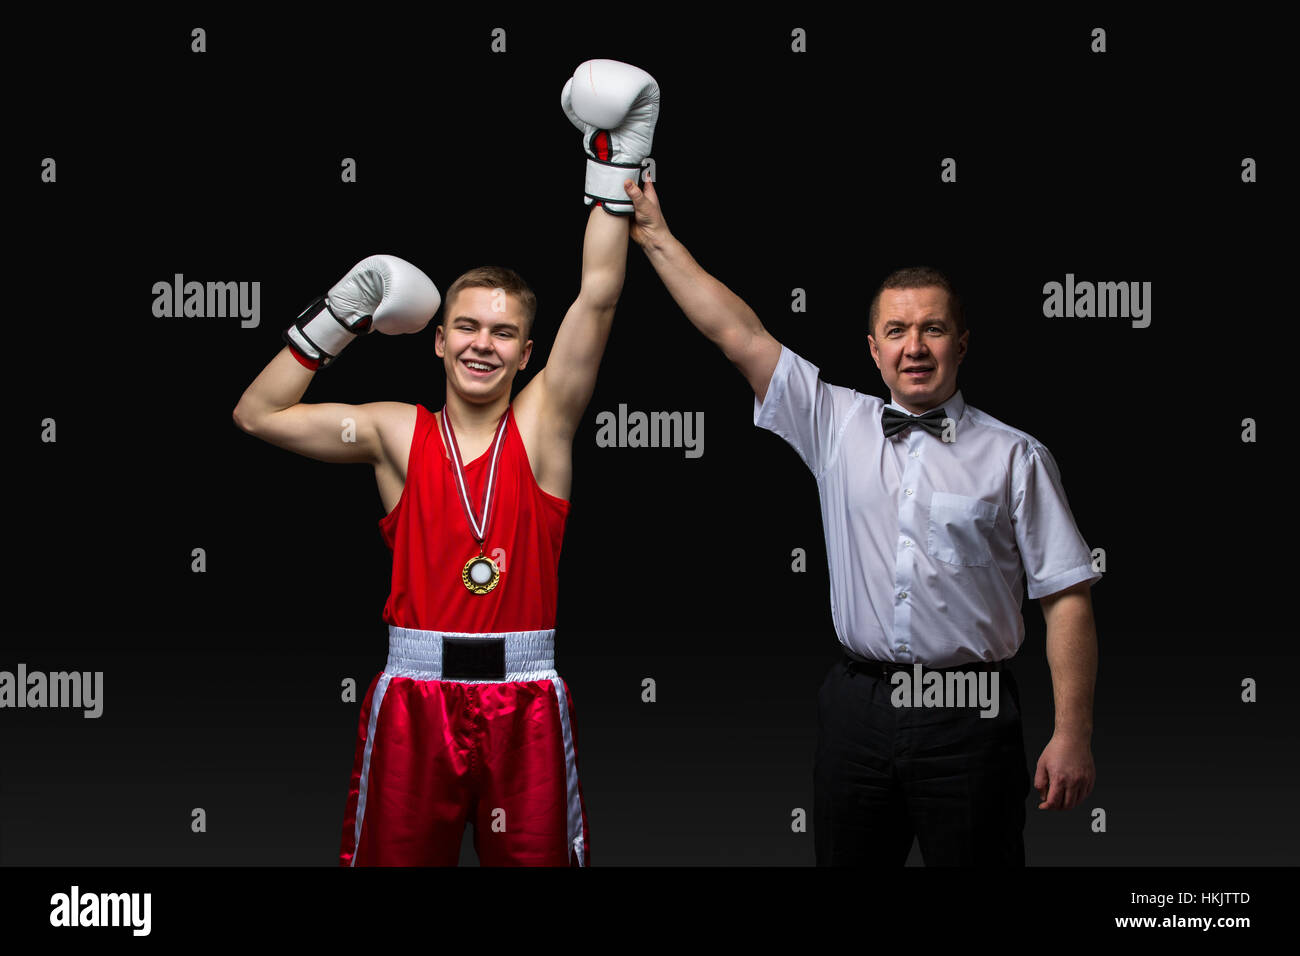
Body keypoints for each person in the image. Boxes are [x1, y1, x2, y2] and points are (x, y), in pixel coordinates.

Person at [231, 58, 660, 866]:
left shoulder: (543, 427)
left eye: (502, 333)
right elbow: (259, 414)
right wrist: (340, 317)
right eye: (466, 327)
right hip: (413, 700)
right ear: (437, 339)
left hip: (525, 699)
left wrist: (617, 157)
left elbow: (597, 294)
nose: (482, 345)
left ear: (528, 354)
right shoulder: (394, 433)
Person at [622, 174, 1099, 866]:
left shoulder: (1016, 456)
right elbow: (736, 332)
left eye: (932, 329)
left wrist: (1074, 732)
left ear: (961, 344)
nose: (915, 347)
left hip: (970, 715)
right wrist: (657, 237)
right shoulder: (834, 422)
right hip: (856, 710)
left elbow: (1067, 597)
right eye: (897, 331)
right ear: (873, 348)